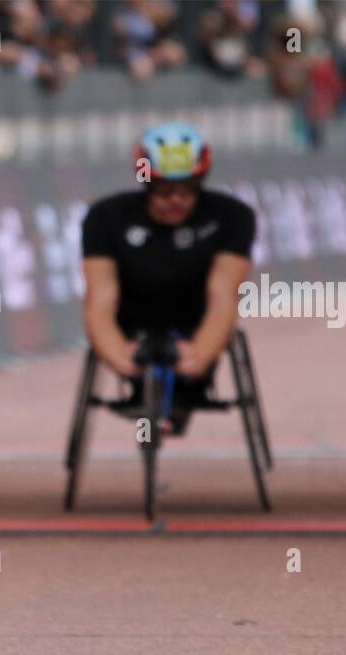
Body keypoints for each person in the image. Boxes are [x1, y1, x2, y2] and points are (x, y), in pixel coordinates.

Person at [80, 121, 255, 431]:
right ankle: (147, 397)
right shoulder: (104, 218)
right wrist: (115, 353)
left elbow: (223, 295)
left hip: (194, 322)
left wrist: (202, 352)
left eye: (187, 190)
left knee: (194, 364)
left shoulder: (233, 216)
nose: (175, 200)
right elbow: (100, 299)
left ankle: (185, 393)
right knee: (134, 354)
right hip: (133, 325)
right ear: (146, 182)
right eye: (163, 191)